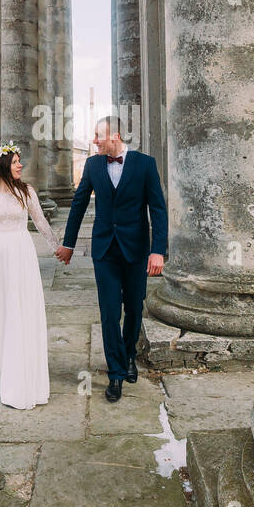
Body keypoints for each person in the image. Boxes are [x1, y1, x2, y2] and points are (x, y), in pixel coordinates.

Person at [55, 116, 168, 401]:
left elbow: (158, 209)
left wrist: (158, 250)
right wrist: (68, 244)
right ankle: (115, 372)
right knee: (108, 312)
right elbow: (79, 205)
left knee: (133, 307)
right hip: (104, 250)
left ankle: (129, 355)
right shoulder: (93, 166)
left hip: (136, 250)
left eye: (98, 135)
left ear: (115, 136)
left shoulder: (145, 164)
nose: (94, 140)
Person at [0, 142, 61, 410]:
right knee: (0, 307)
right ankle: (1, 353)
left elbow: (41, 222)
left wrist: (59, 248)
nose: (20, 165)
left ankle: (22, 355)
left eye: (20, 161)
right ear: (2, 166)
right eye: (15, 162)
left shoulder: (27, 191)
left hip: (22, 253)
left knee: (22, 306)